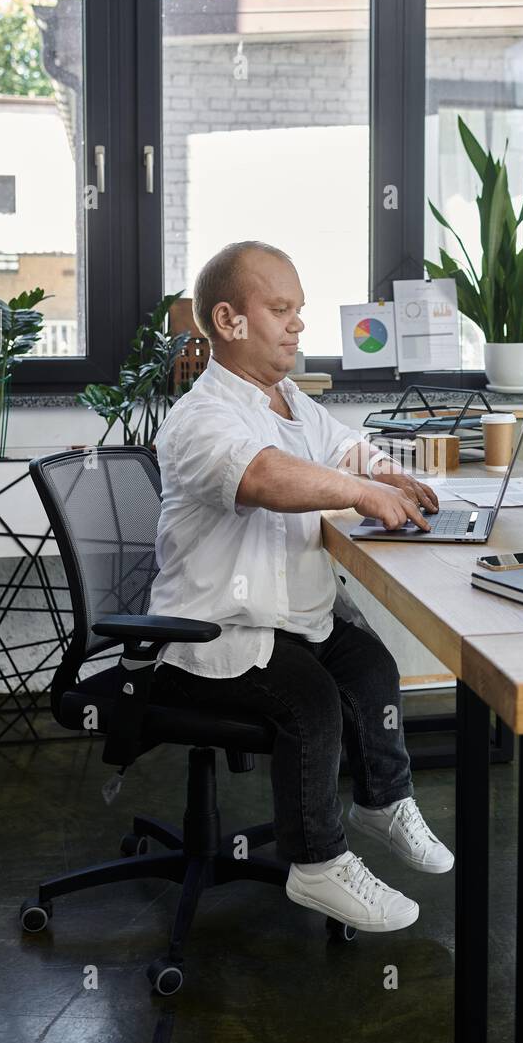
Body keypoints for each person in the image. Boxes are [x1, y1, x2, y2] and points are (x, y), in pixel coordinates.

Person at [149, 240, 454, 933]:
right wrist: (360, 494)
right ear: (228, 321)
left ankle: (383, 800)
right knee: (310, 697)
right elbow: (263, 477)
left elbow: (343, 447)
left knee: (370, 663)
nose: (297, 325)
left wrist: (387, 472)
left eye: (299, 311)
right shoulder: (201, 417)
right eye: (281, 310)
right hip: (211, 632)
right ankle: (317, 865)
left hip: (288, 620)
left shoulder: (289, 401)